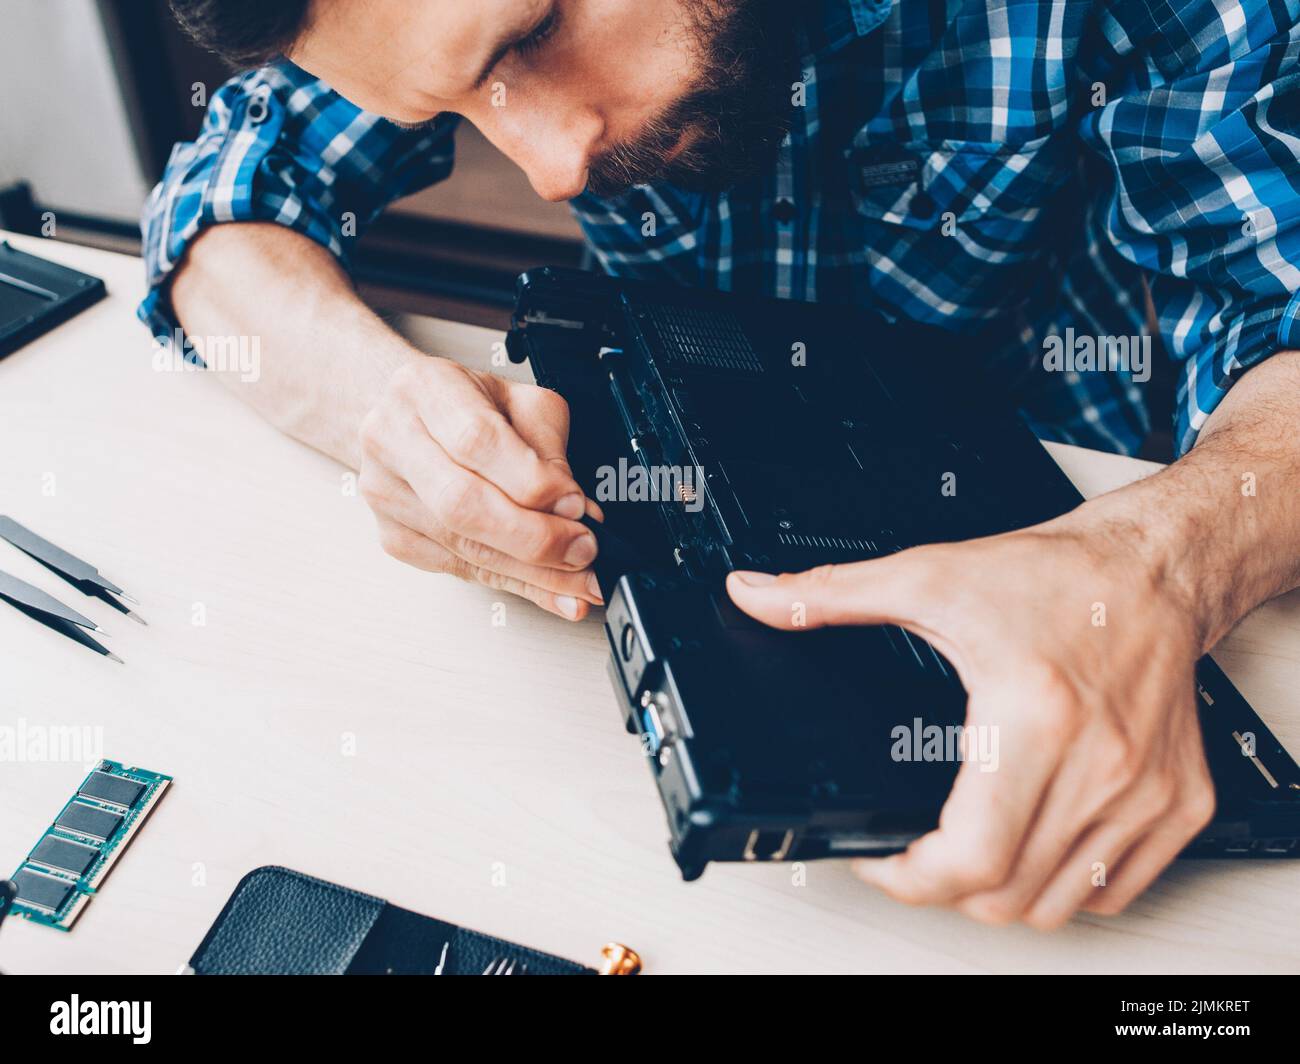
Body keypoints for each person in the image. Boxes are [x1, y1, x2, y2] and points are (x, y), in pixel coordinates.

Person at [142, 0, 1300, 928]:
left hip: (1056, 482)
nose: (549, 167)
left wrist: (1159, 563)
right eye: (460, 102)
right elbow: (219, 203)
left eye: (534, 35)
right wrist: (383, 412)